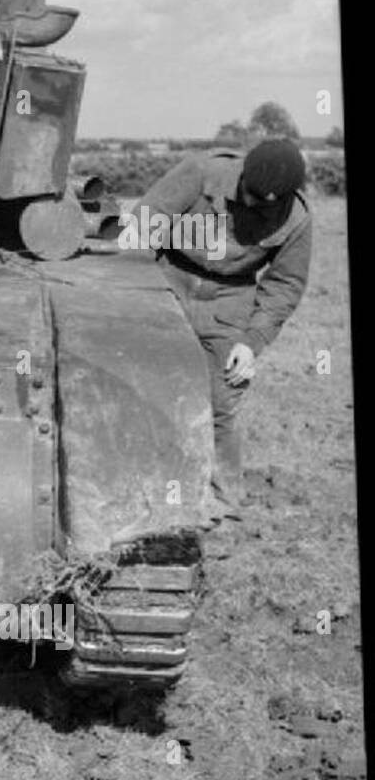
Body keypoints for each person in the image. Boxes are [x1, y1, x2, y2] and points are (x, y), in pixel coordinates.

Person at [133, 139, 313, 524]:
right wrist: (136, 302)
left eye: (262, 204)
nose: (250, 205)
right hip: (170, 280)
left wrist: (251, 343)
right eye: (247, 194)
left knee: (223, 401)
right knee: (152, 391)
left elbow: (284, 285)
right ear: (242, 173)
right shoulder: (201, 172)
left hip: (231, 301)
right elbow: (145, 225)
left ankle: (224, 502)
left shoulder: (296, 218)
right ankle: (145, 489)